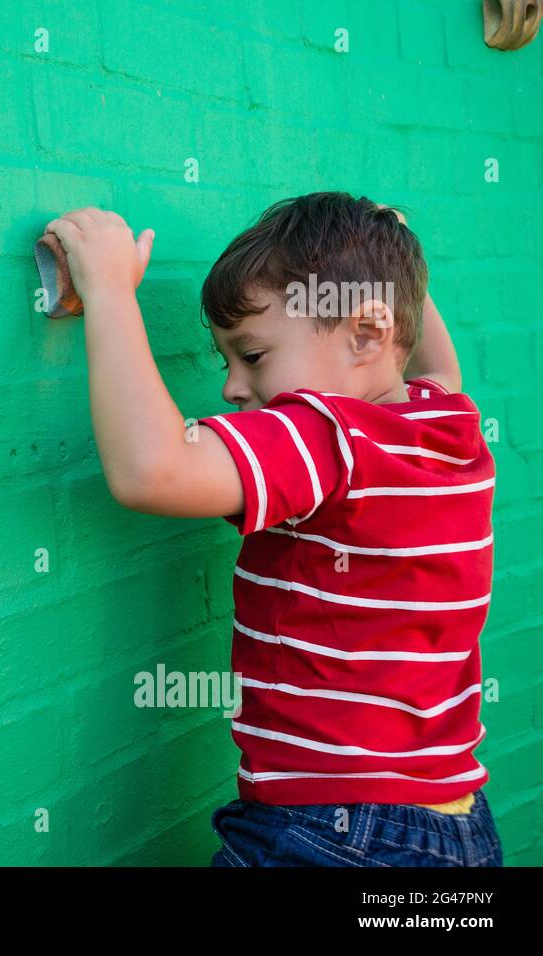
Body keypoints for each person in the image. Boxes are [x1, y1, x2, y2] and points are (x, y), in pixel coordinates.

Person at [43, 193, 502, 866]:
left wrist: (109, 289)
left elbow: (151, 470)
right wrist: (399, 253)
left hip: (333, 830)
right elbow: (431, 365)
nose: (232, 386)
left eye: (253, 355)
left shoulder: (327, 434)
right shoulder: (443, 421)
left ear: (369, 336)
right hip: (454, 826)